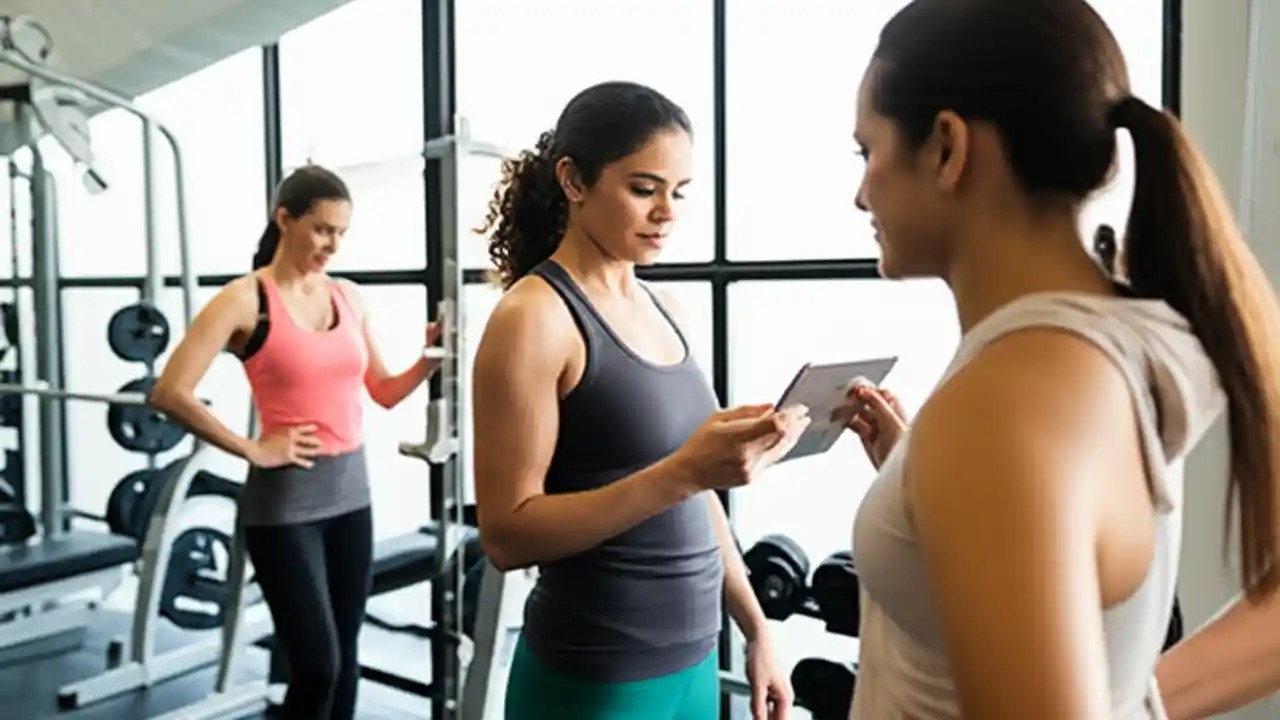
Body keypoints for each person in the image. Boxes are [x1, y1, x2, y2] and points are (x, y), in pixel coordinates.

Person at [836, 0, 1280, 717]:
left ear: (947, 147)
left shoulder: (1008, 397)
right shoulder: (1110, 345)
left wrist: (960, 459)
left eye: (869, 151)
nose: (861, 193)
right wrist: (921, 478)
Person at [469, 80, 810, 720]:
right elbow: (507, 535)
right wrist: (682, 471)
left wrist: (757, 627)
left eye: (678, 193)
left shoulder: (667, 309)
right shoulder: (535, 319)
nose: (667, 212)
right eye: (643, 188)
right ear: (574, 181)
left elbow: (698, 492)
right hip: (596, 675)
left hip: (694, 662)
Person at [150, 165, 440, 719]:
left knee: (345, 657)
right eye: (322, 229)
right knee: (317, 666)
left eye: (342, 233)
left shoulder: (349, 297)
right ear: (284, 219)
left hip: (352, 495)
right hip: (285, 507)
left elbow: (380, 391)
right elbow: (170, 392)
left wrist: (428, 359)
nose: (332, 245)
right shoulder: (244, 300)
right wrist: (254, 448)